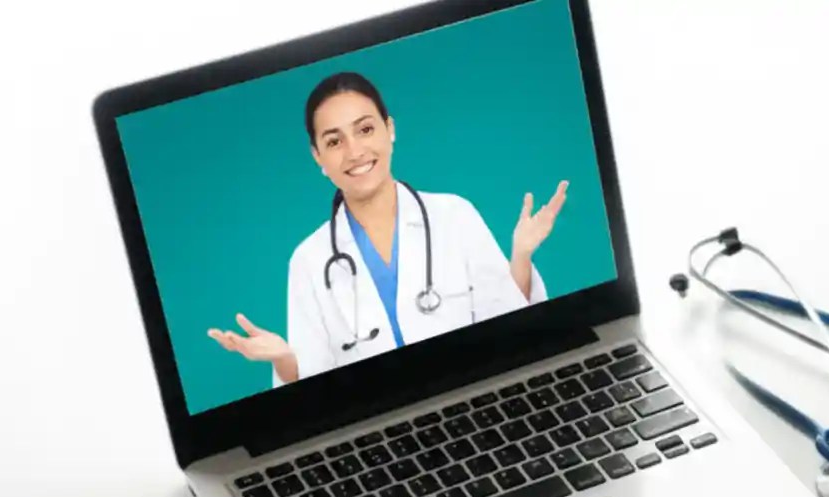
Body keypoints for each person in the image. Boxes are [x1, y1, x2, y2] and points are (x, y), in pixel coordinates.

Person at [207, 72, 568, 385]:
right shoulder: (308, 261)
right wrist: (284, 359)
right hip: (373, 429)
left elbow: (509, 329)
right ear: (318, 156)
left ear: (390, 129)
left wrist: (520, 257)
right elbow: (313, 396)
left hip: (473, 398)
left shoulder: (455, 215)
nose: (354, 151)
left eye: (365, 129)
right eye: (334, 141)